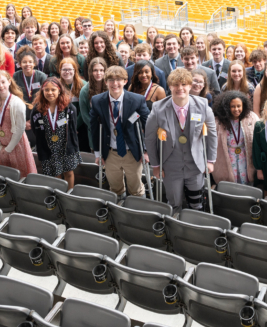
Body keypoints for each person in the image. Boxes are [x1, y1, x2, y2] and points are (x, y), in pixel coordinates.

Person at [145, 68, 216, 213]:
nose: (180, 88)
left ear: (190, 86)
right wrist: (156, 165)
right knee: (174, 203)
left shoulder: (203, 106)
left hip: (195, 165)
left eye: (184, 84)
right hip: (171, 166)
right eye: (175, 85)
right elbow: (150, 138)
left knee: (197, 204)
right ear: (170, 86)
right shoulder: (158, 109)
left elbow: (212, 135)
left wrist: (210, 161)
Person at [91, 65, 150, 198]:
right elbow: (94, 128)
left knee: (136, 189)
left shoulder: (137, 100)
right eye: (111, 79)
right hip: (110, 153)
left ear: (125, 81)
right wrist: (97, 153)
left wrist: (146, 151)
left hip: (132, 152)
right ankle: (119, 214)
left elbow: (148, 125)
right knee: (115, 188)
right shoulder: (97, 101)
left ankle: (138, 214)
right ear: (105, 82)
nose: (115, 83)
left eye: (119, 79)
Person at [0, 70, 37, 178]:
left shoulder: (17, 103)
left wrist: (9, 148)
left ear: (9, 82)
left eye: (3, 82)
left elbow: (20, 129)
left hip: (16, 144)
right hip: (2, 145)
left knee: (21, 172)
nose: (1, 86)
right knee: (7, 173)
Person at [31, 78, 81, 185]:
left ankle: (69, 193)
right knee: (55, 174)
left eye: (53, 90)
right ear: (42, 91)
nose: (50, 93)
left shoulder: (69, 107)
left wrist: (73, 146)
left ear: (59, 90)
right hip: (48, 147)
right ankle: (59, 194)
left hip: (65, 146)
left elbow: (72, 128)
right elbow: (35, 129)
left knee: (68, 173)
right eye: (46, 90)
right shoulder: (37, 109)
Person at [211, 91, 258, 186]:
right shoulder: (218, 121)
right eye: (232, 106)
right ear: (226, 107)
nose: (236, 109)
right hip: (226, 157)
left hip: (245, 157)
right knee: (229, 185)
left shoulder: (251, 117)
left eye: (239, 106)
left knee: (247, 185)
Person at [80, 58, 107, 152]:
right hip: (94, 131)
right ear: (90, 71)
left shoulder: (110, 87)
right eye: (95, 70)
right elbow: (84, 115)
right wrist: (95, 127)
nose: (98, 73)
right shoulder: (84, 91)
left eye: (101, 70)